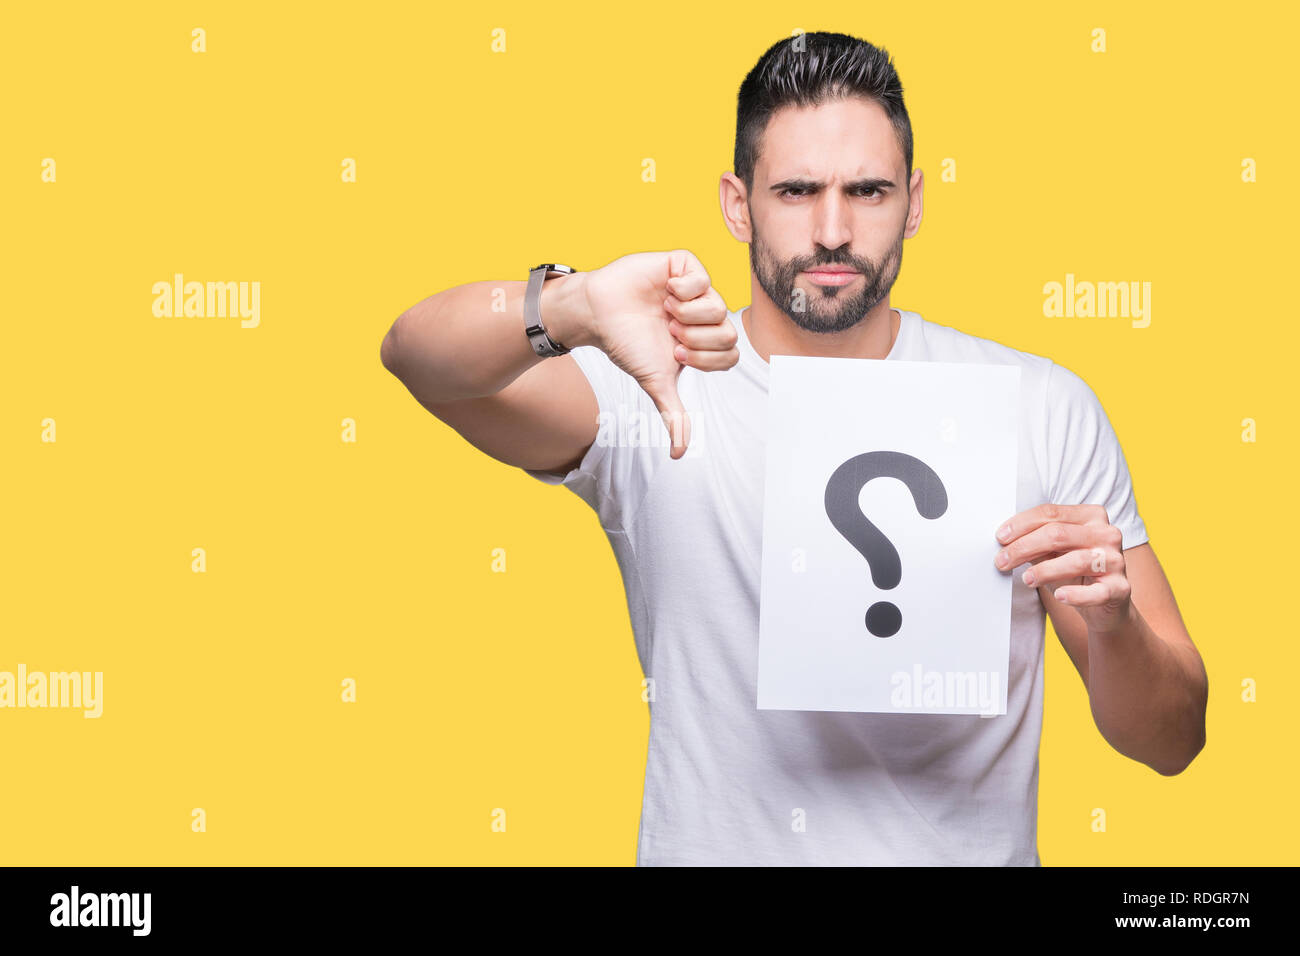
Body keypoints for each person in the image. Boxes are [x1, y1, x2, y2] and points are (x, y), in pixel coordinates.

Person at [380, 31, 1207, 866]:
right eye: (797, 190)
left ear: (915, 200)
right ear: (738, 204)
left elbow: (1173, 741)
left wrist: (1117, 622)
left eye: (870, 190)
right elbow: (419, 358)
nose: (834, 229)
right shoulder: (661, 384)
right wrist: (573, 302)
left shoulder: (1039, 408)